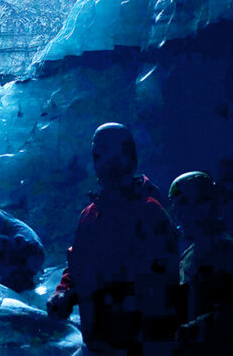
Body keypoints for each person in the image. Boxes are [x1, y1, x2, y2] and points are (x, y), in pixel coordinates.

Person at [46, 122, 179, 354]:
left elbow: (162, 284)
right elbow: (77, 265)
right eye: (99, 155)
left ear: (130, 158)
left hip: (138, 345)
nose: (106, 163)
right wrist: (63, 291)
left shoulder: (149, 213)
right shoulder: (89, 214)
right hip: (98, 342)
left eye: (113, 154)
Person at [167, 172, 233, 355]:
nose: (177, 211)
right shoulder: (189, 255)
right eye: (175, 204)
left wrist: (195, 329)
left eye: (184, 203)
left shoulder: (225, 251)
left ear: (205, 206)